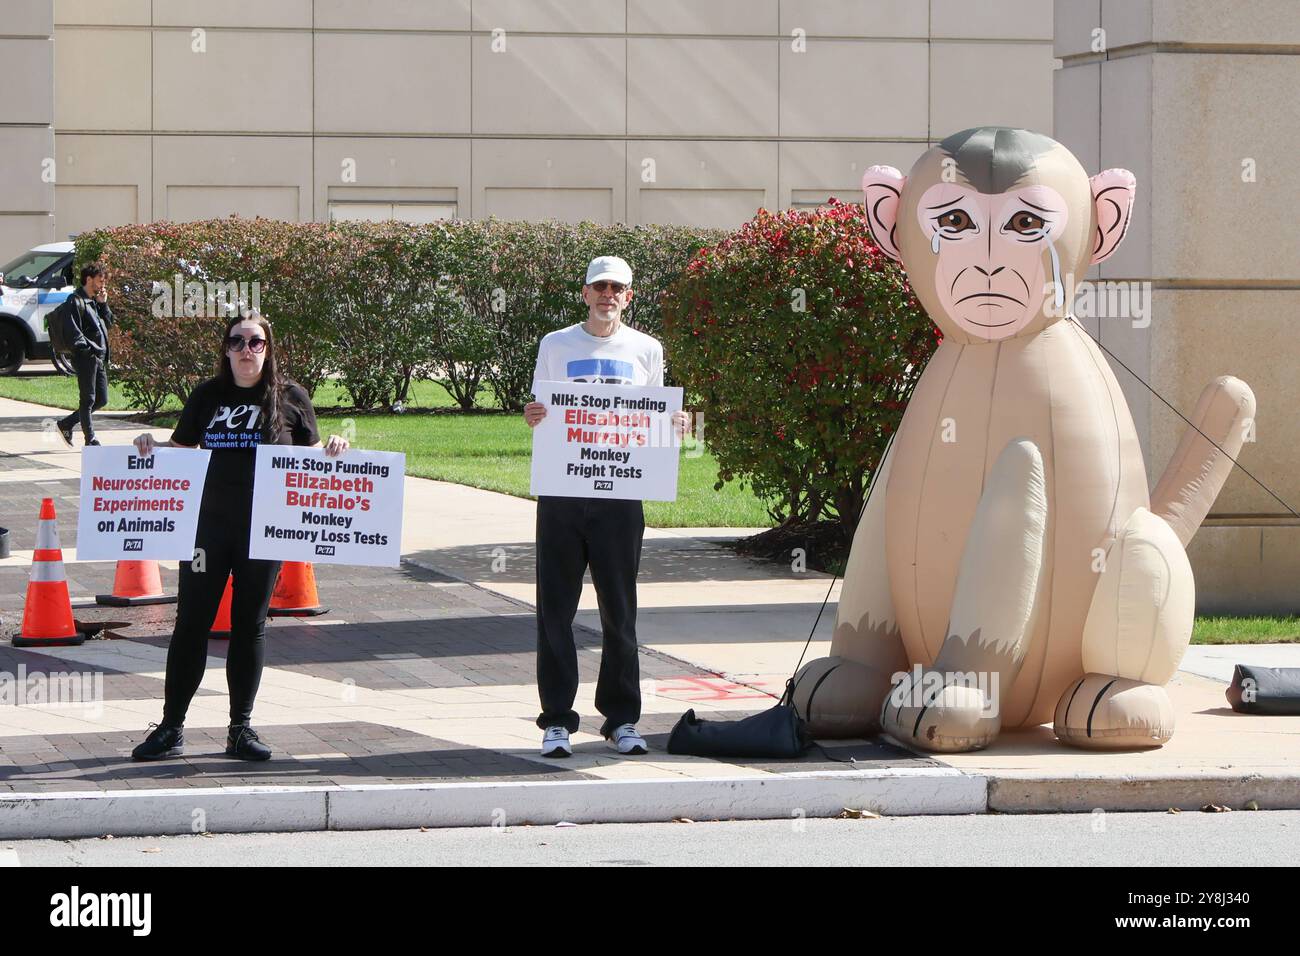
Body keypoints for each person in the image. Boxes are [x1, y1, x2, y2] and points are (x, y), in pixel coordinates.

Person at [130, 311, 349, 762]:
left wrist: (333, 450)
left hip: (265, 531)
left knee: (250, 627)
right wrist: (147, 449)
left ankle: (240, 729)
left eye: (256, 342)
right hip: (207, 529)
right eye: (237, 342)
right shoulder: (207, 396)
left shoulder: (290, 398)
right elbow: (180, 455)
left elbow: (310, 461)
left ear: (268, 348)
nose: (246, 351)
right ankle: (171, 728)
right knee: (192, 624)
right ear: (225, 349)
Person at [524, 255, 689, 758]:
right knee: (556, 609)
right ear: (585, 293)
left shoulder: (647, 348)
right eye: (599, 286)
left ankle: (621, 719)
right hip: (563, 492)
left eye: (617, 288)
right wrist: (534, 415)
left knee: (621, 611)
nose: (607, 295)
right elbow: (542, 408)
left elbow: (656, 414)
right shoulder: (556, 344)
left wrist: (677, 426)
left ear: (628, 296)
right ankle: (556, 720)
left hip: (620, 495)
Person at [55, 263, 114, 446]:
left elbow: (109, 323)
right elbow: (73, 331)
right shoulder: (75, 301)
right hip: (86, 357)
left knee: (101, 399)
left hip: (99, 357)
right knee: (88, 398)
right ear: (89, 279)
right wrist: (87, 350)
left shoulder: (95, 302)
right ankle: (91, 439)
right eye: (100, 281)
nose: (103, 285)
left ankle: (66, 423)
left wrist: (104, 305)